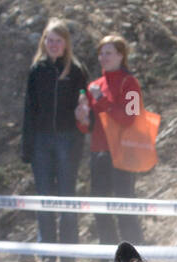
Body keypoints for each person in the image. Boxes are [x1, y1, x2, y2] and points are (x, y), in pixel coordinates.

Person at [21, 18, 89, 262]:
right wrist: (26, 146)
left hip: (68, 140)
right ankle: (48, 254)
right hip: (40, 141)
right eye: (49, 40)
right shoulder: (36, 71)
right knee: (44, 197)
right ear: (44, 42)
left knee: (66, 196)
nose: (53, 44)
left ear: (66, 44)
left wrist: (80, 139)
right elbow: (29, 110)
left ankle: (69, 255)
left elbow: (84, 107)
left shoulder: (77, 71)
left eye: (58, 40)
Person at [76, 34, 144, 246]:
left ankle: (136, 257)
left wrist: (102, 101)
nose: (104, 57)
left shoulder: (130, 83)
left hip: (123, 154)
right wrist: (82, 118)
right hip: (99, 152)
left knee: (124, 206)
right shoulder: (94, 85)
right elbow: (88, 126)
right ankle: (107, 256)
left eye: (109, 53)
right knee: (100, 205)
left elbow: (130, 118)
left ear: (121, 56)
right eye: (101, 53)